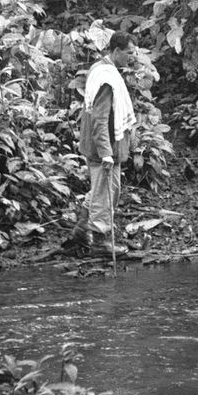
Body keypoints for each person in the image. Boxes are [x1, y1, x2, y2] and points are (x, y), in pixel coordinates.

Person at [76, 31, 137, 249]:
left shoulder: (101, 68)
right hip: (103, 146)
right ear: (117, 50)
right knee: (106, 191)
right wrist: (106, 154)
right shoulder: (106, 78)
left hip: (102, 144)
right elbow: (99, 120)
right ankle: (101, 241)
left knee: (100, 188)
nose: (131, 57)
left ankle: (82, 229)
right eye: (129, 53)